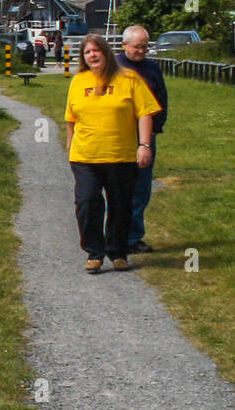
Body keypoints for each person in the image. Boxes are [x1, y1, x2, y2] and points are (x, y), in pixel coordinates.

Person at [64, 33, 160, 273]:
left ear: (106, 52)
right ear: (83, 57)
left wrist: (144, 145)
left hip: (121, 156)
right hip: (85, 156)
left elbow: (145, 113)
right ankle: (94, 253)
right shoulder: (78, 81)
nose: (92, 55)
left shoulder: (129, 78)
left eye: (96, 50)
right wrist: (70, 146)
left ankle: (117, 252)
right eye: (87, 52)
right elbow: (71, 119)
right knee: (87, 203)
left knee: (120, 205)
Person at [116, 24, 168, 254]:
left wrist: (155, 129)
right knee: (117, 187)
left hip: (145, 138)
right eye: (137, 47)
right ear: (124, 45)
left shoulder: (152, 68)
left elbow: (161, 100)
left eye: (145, 47)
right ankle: (115, 236)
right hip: (119, 138)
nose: (142, 51)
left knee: (141, 188)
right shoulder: (113, 68)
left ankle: (133, 237)